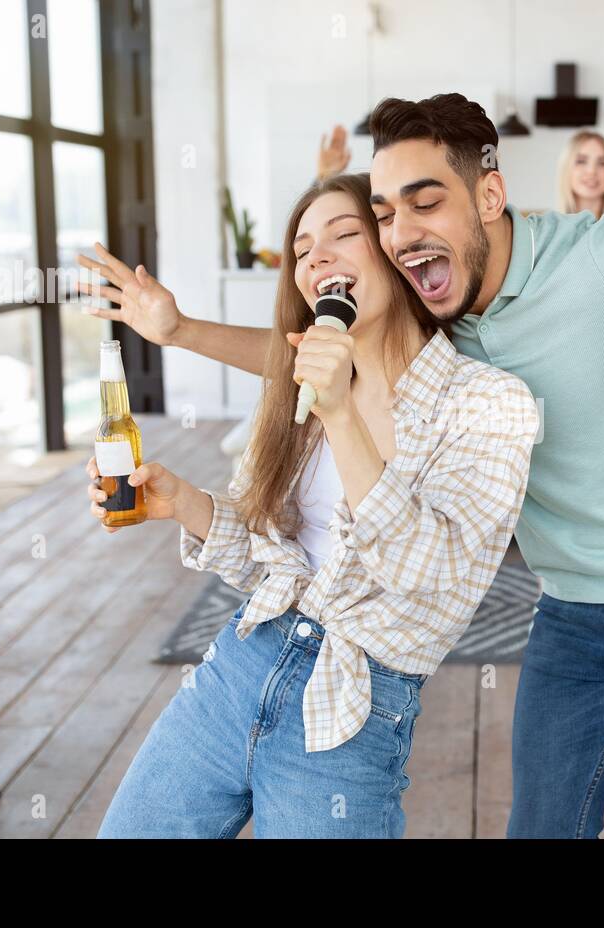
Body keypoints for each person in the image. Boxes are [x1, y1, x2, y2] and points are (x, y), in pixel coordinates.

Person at [83, 93, 604, 838]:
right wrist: (179, 329)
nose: (402, 232)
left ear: (489, 195)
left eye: (427, 203)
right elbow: (312, 354)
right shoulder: (425, 307)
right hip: (575, 607)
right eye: (385, 215)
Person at [84, 172, 537, 837]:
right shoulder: (304, 387)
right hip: (239, 667)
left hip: (349, 713)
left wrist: (342, 414)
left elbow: (427, 578)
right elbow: (267, 557)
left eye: (344, 234)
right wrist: (181, 502)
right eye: (301, 248)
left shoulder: (487, 404)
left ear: (394, 250)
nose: (316, 256)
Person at [557, 130, 604, 217]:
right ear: (566, 169)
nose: (591, 171)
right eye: (581, 161)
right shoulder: (545, 228)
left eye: (603, 163)